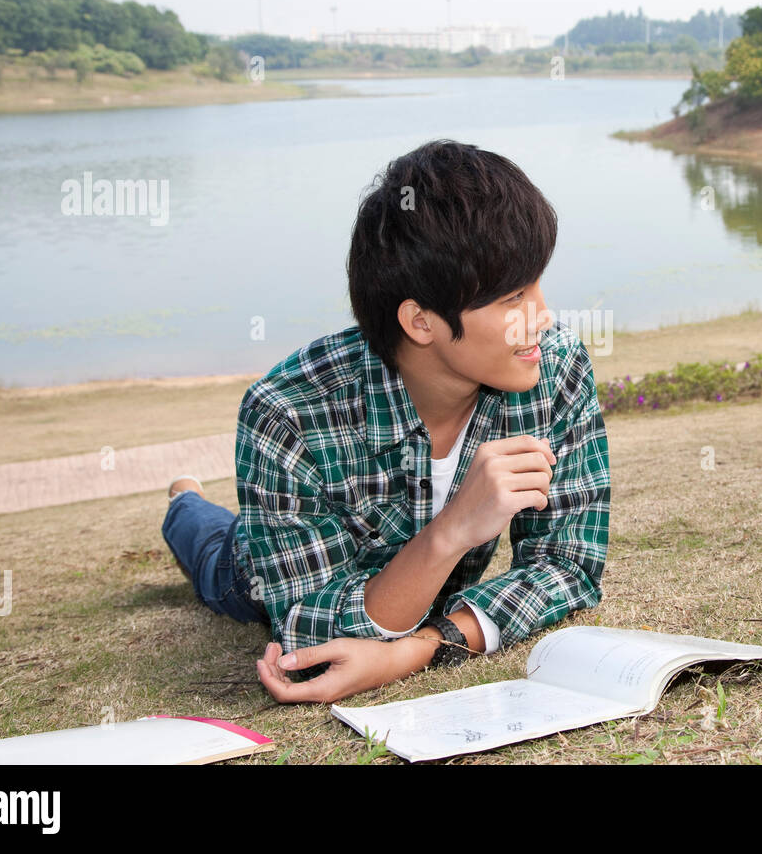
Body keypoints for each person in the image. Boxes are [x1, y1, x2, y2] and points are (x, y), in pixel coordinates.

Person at [161, 138, 612, 705]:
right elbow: (310, 630)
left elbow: (569, 567)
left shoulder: (554, 367)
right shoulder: (287, 413)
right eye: (515, 297)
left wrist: (420, 647)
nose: (544, 317)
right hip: (254, 570)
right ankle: (183, 500)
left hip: (398, 602)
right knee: (210, 554)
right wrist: (454, 529)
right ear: (421, 322)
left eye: (538, 285)